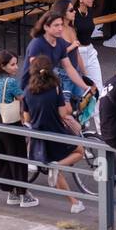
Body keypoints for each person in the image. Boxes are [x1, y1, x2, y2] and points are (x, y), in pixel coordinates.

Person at [20, 57, 86, 214]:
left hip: (38, 137)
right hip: (56, 133)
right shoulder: (55, 88)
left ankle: (74, 202)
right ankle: (58, 167)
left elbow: (27, 118)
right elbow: (63, 113)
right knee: (79, 151)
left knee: (55, 171)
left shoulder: (28, 91)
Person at [0, 50, 35, 207]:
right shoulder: (10, 82)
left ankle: (10, 192)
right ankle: (24, 195)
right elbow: (23, 98)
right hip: (9, 120)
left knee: (3, 156)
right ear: (3, 66)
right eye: (12, 64)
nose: (16, 67)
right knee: (17, 155)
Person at [20, 9, 92, 102]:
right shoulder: (37, 44)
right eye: (56, 25)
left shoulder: (60, 42)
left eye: (61, 24)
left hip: (48, 84)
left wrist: (85, 87)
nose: (60, 28)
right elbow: (36, 70)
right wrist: (54, 87)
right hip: (32, 87)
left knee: (70, 111)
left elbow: (69, 68)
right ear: (46, 27)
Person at [72, 0, 105, 97]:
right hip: (78, 53)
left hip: (90, 51)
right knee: (81, 91)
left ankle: (98, 115)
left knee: (98, 87)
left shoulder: (89, 11)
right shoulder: (73, 15)